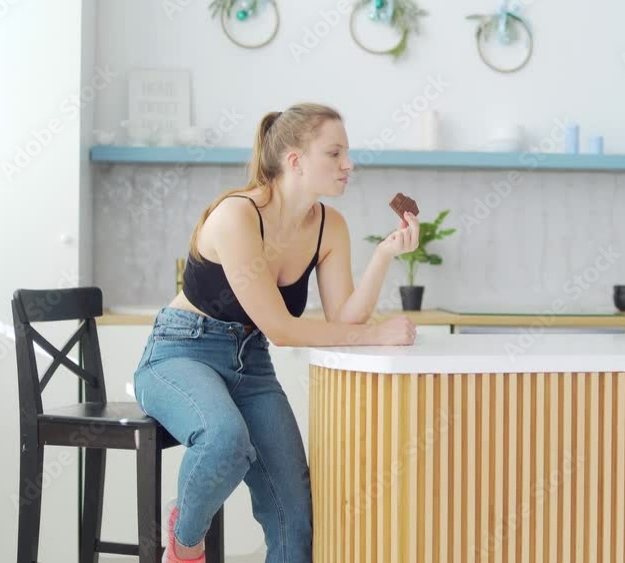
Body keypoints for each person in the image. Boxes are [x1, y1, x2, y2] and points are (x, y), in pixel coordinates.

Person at [132, 102, 420, 563]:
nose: (349, 164)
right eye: (335, 153)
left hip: (251, 363)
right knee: (226, 439)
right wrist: (378, 335)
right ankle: (185, 543)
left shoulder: (330, 225)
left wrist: (384, 255)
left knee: (295, 515)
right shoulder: (236, 215)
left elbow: (344, 320)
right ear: (295, 160)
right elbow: (283, 329)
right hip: (180, 353)